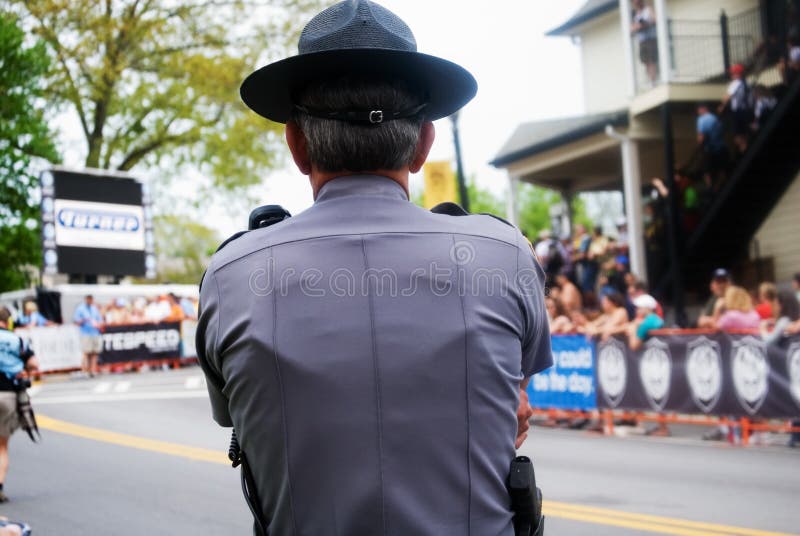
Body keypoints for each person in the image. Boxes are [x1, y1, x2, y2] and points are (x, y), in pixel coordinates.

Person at [195, 2, 552, 534]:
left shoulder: (231, 276)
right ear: (423, 144)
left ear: (297, 144)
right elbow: (514, 401)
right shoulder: (504, 256)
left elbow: (236, 416)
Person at [0, 307, 39, 503]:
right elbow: (34, 364)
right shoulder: (18, 340)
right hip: (8, 394)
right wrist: (23, 369)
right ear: (8, 322)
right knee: (2, 446)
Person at [718, 63, 753, 155]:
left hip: (737, 112)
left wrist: (722, 106)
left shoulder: (735, 83)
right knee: (745, 134)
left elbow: (728, 96)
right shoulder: (748, 83)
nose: (731, 75)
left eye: (733, 73)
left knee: (737, 136)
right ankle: (745, 148)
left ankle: (744, 151)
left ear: (738, 74)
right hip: (748, 111)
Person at [695, 103, 728, 190]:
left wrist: (698, 147)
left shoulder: (702, 119)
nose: (698, 112)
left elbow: (701, 136)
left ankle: (711, 189)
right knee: (721, 170)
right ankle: (718, 188)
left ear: (703, 109)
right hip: (722, 148)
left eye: (698, 110)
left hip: (710, 150)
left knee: (706, 171)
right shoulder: (715, 118)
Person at [73, 295, 103, 377]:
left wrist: (98, 324)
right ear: (86, 299)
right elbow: (76, 321)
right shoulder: (80, 309)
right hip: (85, 333)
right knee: (86, 352)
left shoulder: (94, 308)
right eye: (88, 299)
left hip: (95, 333)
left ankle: (92, 370)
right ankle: (84, 370)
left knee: (94, 353)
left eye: (91, 299)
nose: (90, 301)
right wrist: (84, 320)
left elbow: (100, 320)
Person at [631, 0, 659, 84]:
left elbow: (655, 20)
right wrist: (638, 26)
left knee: (652, 60)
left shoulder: (648, 10)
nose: (636, 3)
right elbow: (632, 29)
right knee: (646, 61)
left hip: (651, 39)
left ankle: (654, 80)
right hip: (642, 41)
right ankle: (650, 79)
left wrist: (647, 23)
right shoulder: (635, 15)